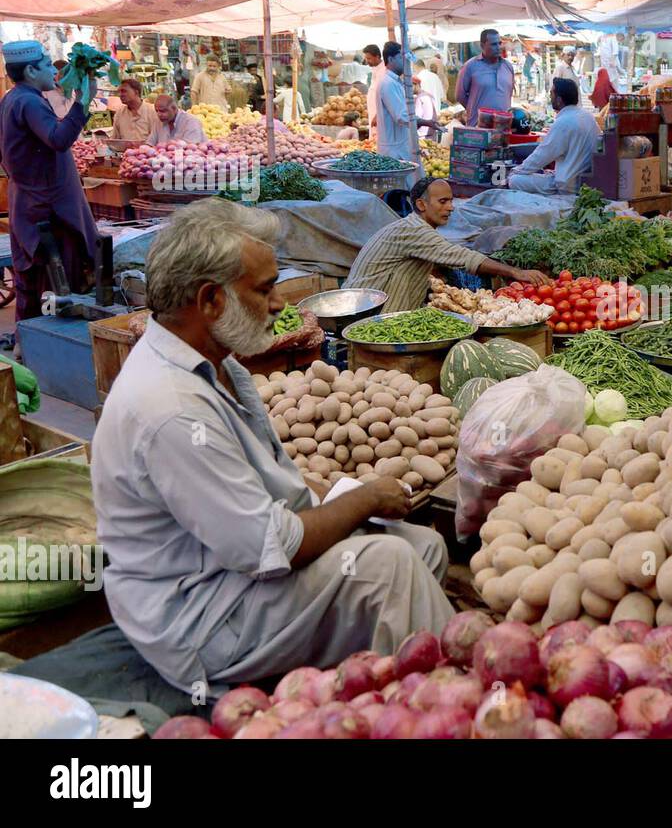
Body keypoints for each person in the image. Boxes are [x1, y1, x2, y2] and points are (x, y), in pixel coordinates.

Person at [92, 198, 454, 694]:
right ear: (211, 301)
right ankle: (439, 701)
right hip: (202, 617)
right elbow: (271, 547)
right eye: (264, 290)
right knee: (389, 567)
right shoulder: (172, 408)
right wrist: (363, 498)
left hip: (233, 574)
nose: (281, 304)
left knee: (424, 546)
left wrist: (341, 495)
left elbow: (267, 480)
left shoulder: (220, 364)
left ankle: (373, 695)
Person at [0, 40, 99, 322]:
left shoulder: (11, 99)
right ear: (31, 71)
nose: (53, 73)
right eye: (46, 66)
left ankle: (26, 342)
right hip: (48, 213)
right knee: (55, 285)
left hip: (30, 204)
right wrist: (83, 102)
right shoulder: (29, 101)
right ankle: (45, 346)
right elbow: (58, 139)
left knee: (31, 285)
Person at [345, 178, 546, 311]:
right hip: (368, 314)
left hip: (366, 306)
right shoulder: (414, 231)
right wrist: (515, 273)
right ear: (421, 205)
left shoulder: (412, 227)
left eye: (451, 201)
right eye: (443, 202)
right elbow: (461, 257)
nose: (450, 207)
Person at [508, 78, 600, 194]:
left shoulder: (564, 122)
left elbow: (541, 156)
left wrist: (517, 170)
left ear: (559, 100)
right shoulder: (588, 117)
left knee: (515, 180)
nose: (550, 96)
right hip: (584, 182)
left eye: (552, 93)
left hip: (567, 186)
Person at [374, 42, 440, 181]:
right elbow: (402, 116)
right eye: (401, 57)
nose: (406, 61)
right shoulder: (388, 83)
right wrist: (426, 122)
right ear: (390, 59)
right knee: (400, 191)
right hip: (394, 149)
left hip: (400, 146)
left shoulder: (395, 82)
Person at [455, 29, 514, 128]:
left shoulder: (508, 66)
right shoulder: (470, 66)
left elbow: (509, 94)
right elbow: (460, 96)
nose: (498, 47)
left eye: (499, 43)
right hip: (477, 128)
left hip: (502, 129)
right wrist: (476, 111)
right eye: (493, 44)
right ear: (482, 46)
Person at [363, 44, 385, 130]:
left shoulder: (384, 70)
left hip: (379, 115)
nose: (367, 61)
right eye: (366, 58)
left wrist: (378, 115)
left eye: (369, 58)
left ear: (377, 56)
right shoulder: (375, 69)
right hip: (373, 112)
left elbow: (385, 96)